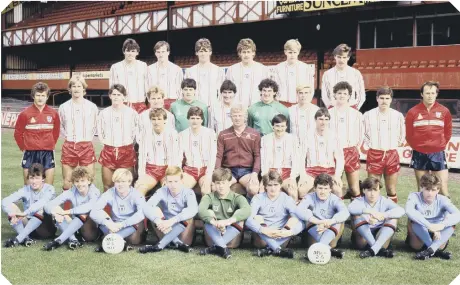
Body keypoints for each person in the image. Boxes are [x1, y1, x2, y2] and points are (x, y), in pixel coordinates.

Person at [405, 81, 452, 197]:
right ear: (422, 94)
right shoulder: (412, 112)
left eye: (432, 93)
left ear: (436, 94)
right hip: (419, 153)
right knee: (422, 188)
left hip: (438, 153)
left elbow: (448, 133)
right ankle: (421, 214)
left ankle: (447, 215)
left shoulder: (444, 111)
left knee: (442, 189)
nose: (430, 96)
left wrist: (439, 146)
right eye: (427, 93)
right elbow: (408, 135)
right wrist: (418, 147)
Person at [58, 75, 98, 207]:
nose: (76, 89)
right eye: (73, 86)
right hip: (69, 145)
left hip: (86, 145)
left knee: (88, 180)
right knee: (68, 181)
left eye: (79, 86)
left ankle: (88, 210)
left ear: (84, 88)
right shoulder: (63, 107)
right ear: (70, 89)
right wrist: (70, 139)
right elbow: (61, 126)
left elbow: (95, 126)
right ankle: (67, 213)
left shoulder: (92, 107)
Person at [245, 171, 304, 258]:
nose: (273, 188)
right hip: (263, 235)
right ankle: (277, 249)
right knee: (257, 218)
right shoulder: (258, 198)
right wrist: (263, 230)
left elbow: (299, 219)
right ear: (265, 186)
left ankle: (270, 249)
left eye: (276, 185)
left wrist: (288, 231)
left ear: (280, 185)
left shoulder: (286, 199)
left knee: (297, 219)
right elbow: (248, 219)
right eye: (270, 185)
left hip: (281, 235)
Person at [139, 167, 197, 253]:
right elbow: (146, 207)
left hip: (180, 224)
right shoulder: (162, 191)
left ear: (181, 181)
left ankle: (160, 245)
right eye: (170, 182)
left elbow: (193, 209)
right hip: (164, 226)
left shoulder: (188, 192)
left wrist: (172, 221)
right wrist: (158, 221)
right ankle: (176, 242)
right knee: (155, 211)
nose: (173, 185)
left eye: (176, 181)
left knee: (188, 215)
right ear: (165, 181)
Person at [363, 86, 405, 203]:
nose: (384, 101)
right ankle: (373, 216)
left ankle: (391, 216)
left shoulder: (398, 115)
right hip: (375, 153)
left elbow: (402, 135)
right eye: (381, 98)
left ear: (391, 99)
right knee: (372, 187)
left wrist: (393, 145)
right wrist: (372, 144)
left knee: (391, 188)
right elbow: (364, 133)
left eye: (387, 98)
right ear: (377, 99)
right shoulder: (368, 115)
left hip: (391, 154)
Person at [198, 168, 251, 259]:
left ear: (230, 183)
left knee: (240, 220)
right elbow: (201, 210)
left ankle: (214, 248)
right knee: (208, 216)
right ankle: (223, 248)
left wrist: (227, 222)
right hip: (215, 229)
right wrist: (215, 223)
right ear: (214, 184)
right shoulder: (208, 197)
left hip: (230, 230)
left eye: (224, 183)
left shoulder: (237, 197)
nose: (221, 186)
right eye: (218, 183)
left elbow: (247, 210)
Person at [43, 167, 101, 250]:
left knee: (84, 214)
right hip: (75, 226)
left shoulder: (94, 191)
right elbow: (47, 205)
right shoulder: (71, 191)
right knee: (58, 211)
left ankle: (58, 240)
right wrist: (56, 213)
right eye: (77, 181)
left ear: (89, 181)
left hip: (91, 230)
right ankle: (73, 240)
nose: (80, 184)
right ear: (73, 182)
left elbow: (89, 206)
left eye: (82, 181)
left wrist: (68, 212)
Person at [14, 82, 60, 185]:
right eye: (38, 95)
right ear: (33, 96)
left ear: (47, 97)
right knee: (28, 185)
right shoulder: (25, 114)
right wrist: (24, 147)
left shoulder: (53, 114)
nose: (40, 98)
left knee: (48, 186)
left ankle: (46, 201)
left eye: (43, 95)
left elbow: (56, 133)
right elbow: (18, 133)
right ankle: (29, 201)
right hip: (30, 153)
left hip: (47, 153)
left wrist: (49, 144)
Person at [405, 173, 459, 260]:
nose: (430, 193)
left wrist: (441, 225)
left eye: (433, 190)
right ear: (422, 187)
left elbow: (457, 214)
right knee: (413, 220)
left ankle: (430, 250)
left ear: (438, 190)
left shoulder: (443, 200)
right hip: (420, 232)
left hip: (438, 234)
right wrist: (429, 226)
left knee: (451, 224)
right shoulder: (414, 196)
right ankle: (435, 251)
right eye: (427, 189)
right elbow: (409, 211)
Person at [90, 168, 146, 252]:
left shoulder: (136, 194)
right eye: (117, 182)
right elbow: (94, 211)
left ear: (129, 182)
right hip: (114, 224)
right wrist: (108, 223)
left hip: (129, 224)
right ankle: (120, 242)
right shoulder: (110, 193)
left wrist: (122, 224)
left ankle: (107, 242)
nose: (120, 184)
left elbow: (142, 213)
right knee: (101, 218)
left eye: (123, 182)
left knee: (134, 240)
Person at [296, 173, 350, 259]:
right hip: (315, 229)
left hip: (330, 229)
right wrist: (319, 222)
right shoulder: (309, 197)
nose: (322, 191)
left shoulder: (334, 199)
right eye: (320, 188)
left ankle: (317, 249)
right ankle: (327, 249)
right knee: (306, 218)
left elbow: (345, 212)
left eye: (326, 188)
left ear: (330, 189)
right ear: (315, 188)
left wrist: (330, 221)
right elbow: (299, 210)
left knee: (339, 220)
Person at [348, 177, 404, 258]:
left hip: (380, 235)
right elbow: (350, 208)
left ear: (379, 191)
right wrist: (370, 212)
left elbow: (401, 210)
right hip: (363, 238)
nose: (372, 194)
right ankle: (379, 250)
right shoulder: (359, 201)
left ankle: (374, 249)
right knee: (356, 216)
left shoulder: (384, 201)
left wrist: (383, 215)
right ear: (364, 190)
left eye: (375, 190)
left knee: (393, 218)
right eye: (369, 190)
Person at [2, 163, 56, 247]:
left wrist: (26, 212)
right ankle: (26, 238)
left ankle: (19, 239)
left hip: (45, 228)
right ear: (28, 178)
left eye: (37, 178)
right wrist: (11, 213)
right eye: (31, 178)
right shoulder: (25, 190)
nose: (34, 181)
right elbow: (4, 201)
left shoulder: (50, 189)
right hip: (29, 225)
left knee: (42, 208)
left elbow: (42, 202)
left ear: (43, 179)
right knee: (11, 207)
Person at [97, 84, 139, 192]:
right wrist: (106, 143)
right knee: (107, 185)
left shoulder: (132, 113)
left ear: (124, 97)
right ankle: (107, 208)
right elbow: (100, 132)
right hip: (109, 151)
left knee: (127, 185)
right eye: (114, 94)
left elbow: (137, 132)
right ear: (110, 96)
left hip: (126, 151)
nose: (116, 97)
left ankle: (127, 208)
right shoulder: (104, 113)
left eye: (119, 94)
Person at [215, 104, 261, 198]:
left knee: (253, 189)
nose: (237, 118)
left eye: (240, 115)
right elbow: (219, 155)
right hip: (229, 170)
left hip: (247, 171)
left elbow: (257, 155)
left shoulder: (254, 134)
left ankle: (248, 209)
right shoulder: (223, 134)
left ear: (245, 117)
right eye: (234, 116)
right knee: (218, 187)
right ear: (231, 117)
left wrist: (255, 173)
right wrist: (218, 171)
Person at [298, 108, 344, 198]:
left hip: (329, 171)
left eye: (326, 119)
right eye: (321, 119)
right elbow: (301, 157)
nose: (323, 122)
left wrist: (337, 175)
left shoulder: (334, 136)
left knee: (337, 190)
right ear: (315, 120)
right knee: (302, 190)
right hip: (311, 171)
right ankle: (307, 211)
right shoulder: (307, 135)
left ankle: (336, 211)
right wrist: (303, 175)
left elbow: (340, 158)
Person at [328, 81, 363, 200]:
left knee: (354, 188)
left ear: (349, 96)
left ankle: (356, 216)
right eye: (339, 93)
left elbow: (361, 134)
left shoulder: (356, 114)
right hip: (333, 152)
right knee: (334, 186)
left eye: (344, 93)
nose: (342, 95)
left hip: (350, 151)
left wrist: (356, 148)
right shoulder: (328, 113)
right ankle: (337, 215)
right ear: (334, 95)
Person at [135, 108, 181, 196]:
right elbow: (142, 156)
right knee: (139, 190)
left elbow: (174, 156)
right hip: (151, 169)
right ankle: (142, 209)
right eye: (153, 119)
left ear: (165, 120)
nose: (156, 122)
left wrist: (172, 175)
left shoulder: (172, 133)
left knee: (172, 190)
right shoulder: (145, 134)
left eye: (159, 119)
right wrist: (141, 176)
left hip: (167, 168)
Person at [179, 107, 217, 196]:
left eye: (197, 118)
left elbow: (212, 155)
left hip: (205, 169)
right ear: (188, 119)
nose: (195, 121)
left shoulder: (210, 133)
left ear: (202, 120)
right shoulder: (182, 135)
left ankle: (205, 209)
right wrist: (179, 171)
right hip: (190, 170)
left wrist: (208, 175)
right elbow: (179, 156)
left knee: (206, 190)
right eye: (192, 118)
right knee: (181, 190)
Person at [260, 115, 299, 201]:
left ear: (286, 126)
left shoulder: (292, 139)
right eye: (277, 126)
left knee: (293, 192)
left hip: (287, 173)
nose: (280, 129)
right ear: (272, 126)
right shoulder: (265, 139)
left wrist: (293, 178)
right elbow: (264, 160)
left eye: (282, 126)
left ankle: (293, 214)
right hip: (271, 173)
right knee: (261, 191)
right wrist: (265, 177)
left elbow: (296, 160)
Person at [225, 38, 270, 107]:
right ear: (240, 53)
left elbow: (268, 90)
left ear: (253, 53)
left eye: (248, 52)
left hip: (258, 107)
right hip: (237, 108)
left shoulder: (263, 69)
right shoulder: (231, 70)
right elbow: (227, 90)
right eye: (244, 52)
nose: (246, 55)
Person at [109, 38, 149, 113]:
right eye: (128, 51)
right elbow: (112, 89)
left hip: (140, 104)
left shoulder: (143, 66)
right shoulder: (115, 67)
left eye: (133, 51)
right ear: (124, 51)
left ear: (137, 52)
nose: (130, 53)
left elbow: (147, 86)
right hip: (122, 104)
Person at [321, 43, 366, 110]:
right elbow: (325, 95)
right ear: (335, 57)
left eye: (344, 57)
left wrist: (355, 109)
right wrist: (331, 109)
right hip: (333, 109)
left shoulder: (356, 73)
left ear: (348, 58)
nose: (341, 60)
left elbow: (361, 95)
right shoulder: (327, 74)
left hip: (351, 108)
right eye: (339, 57)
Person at [273, 39, 315, 107]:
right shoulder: (278, 68)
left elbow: (310, 88)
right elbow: (274, 87)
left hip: (300, 104)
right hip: (282, 104)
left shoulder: (306, 68)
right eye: (290, 52)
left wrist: (307, 102)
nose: (292, 55)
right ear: (285, 52)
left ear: (298, 52)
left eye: (294, 52)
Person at [185, 38, 224, 107]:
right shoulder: (190, 71)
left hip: (213, 107)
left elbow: (222, 92)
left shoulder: (218, 70)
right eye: (201, 51)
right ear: (196, 53)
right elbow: (186, 91)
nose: (203, 54)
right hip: (195, 108)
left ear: (210, 52)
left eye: (206, 51)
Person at [148, 41, 184, 110]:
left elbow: (180, 89)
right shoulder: (149, 69)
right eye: (158, 52)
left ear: (168, 52)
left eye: (163, 51)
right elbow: (148, 88)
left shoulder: (177, 69)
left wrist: (178, 104)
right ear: (155, 53)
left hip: (173, 101)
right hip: (156, 102)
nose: (161, 54)